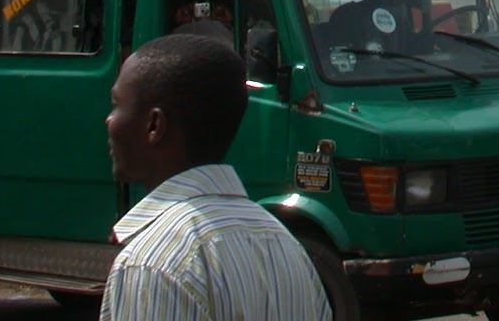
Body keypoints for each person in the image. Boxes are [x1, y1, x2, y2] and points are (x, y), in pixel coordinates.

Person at [102, 33, 330, 321]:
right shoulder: (286, 247)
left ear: (154, 125)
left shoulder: (152, 262)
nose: (109, 121)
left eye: (116, 105)